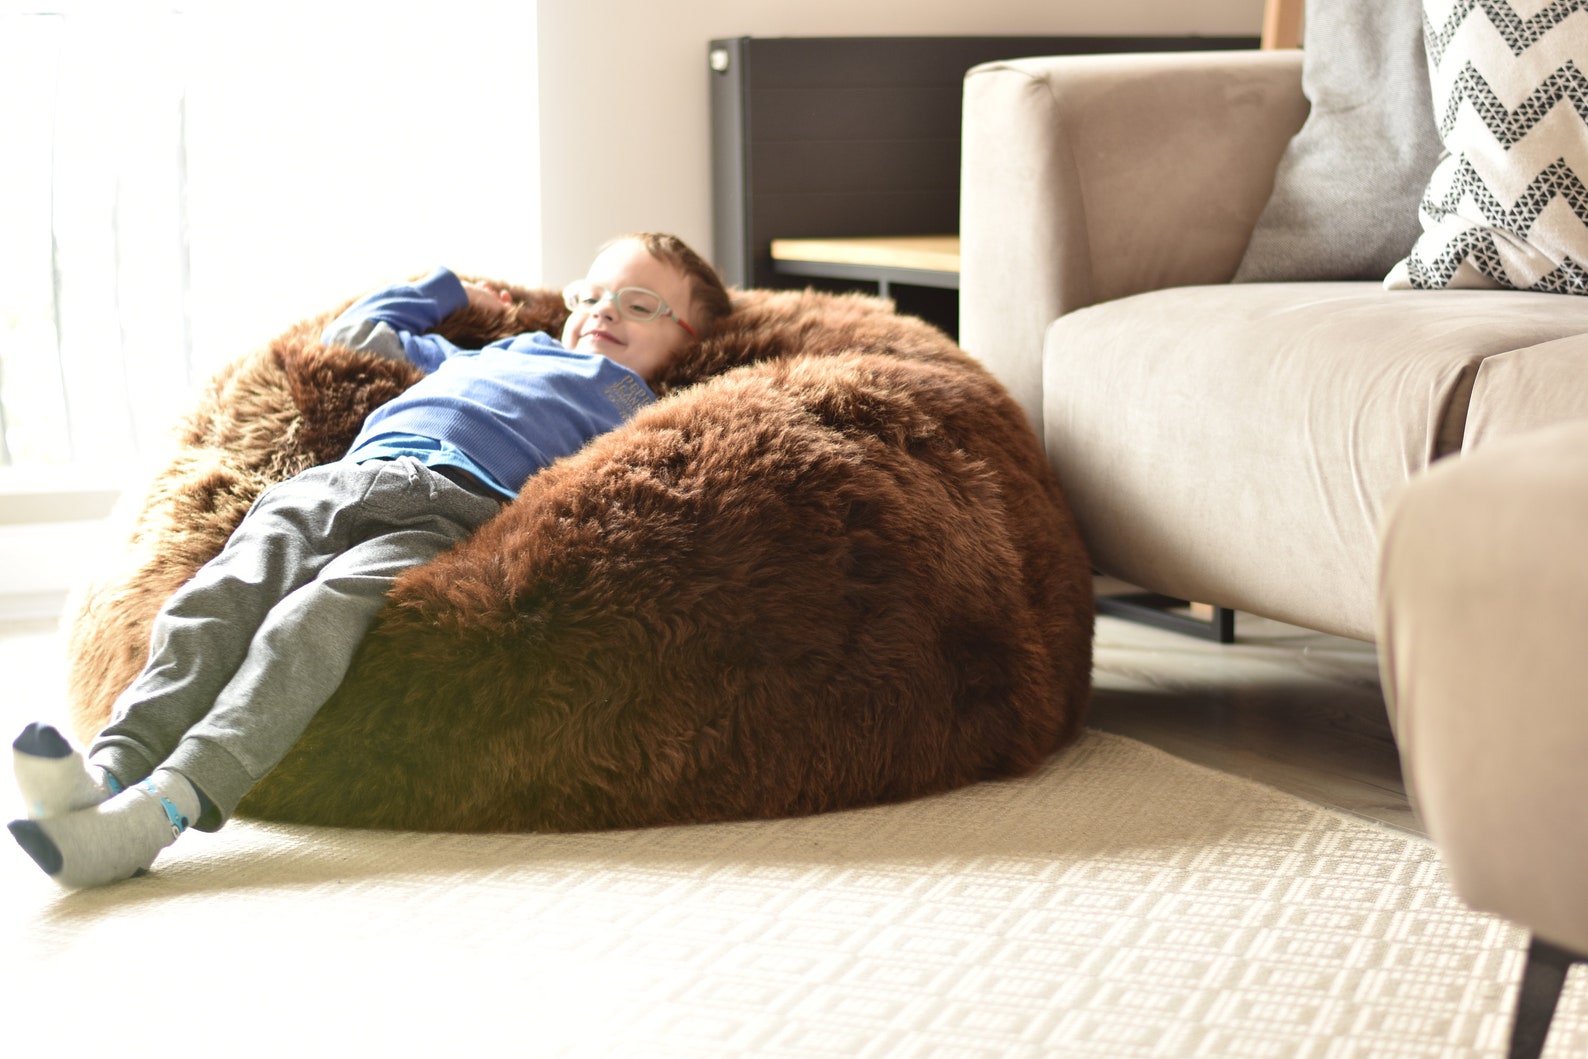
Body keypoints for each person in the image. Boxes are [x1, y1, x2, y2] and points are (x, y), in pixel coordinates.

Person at [8, 232, 732, 889]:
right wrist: (451, 288)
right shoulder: (500, 351)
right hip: (339, 482)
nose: (604, 313)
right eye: (591, 296)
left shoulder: (629, 395)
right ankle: (111, 770)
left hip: (451, 506)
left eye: (639, 304)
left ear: (689, 339)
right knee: (215, 597)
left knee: (310, 623)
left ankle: (165, 807)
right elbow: (357, 333)